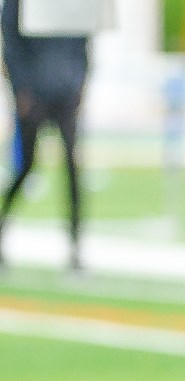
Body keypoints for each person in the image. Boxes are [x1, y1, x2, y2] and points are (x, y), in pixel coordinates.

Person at [0, 0, 91, 272]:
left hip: (65, 93)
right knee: (26, 167)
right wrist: (21, 90)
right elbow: (11, 43)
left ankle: (75, 249)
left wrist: (79, 83)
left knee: (72, 170)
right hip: (34, 94)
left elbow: (83, 41)